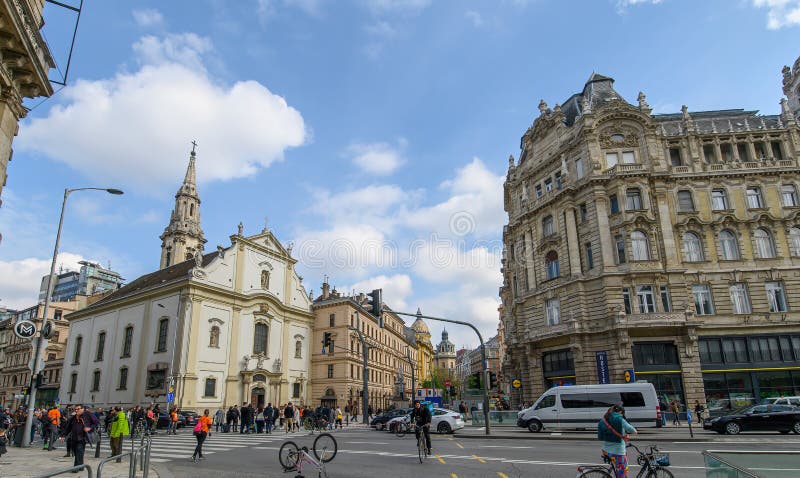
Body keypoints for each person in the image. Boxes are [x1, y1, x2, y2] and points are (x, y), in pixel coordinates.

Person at [599, 405, 636, 478]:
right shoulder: (619, 419)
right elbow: (632, 430)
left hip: (606, 450)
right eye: (622, 413)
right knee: (623, 474)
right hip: (617, 452)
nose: (623, 415)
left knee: (618, 469)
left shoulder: (604, 419)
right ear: (620, 412)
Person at [64, 404, 98, 472]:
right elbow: (68, 427)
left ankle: (75, 469)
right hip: (74, 438)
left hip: (82, 438)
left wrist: (90, 428)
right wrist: (63, 435)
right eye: (75, 409)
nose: (76, 410)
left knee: (79, 452)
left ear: (83, 409)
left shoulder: (88, 414)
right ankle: (81, 467)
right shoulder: (73, 417)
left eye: (78, 409)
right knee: (77, 453)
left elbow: (96, 422)